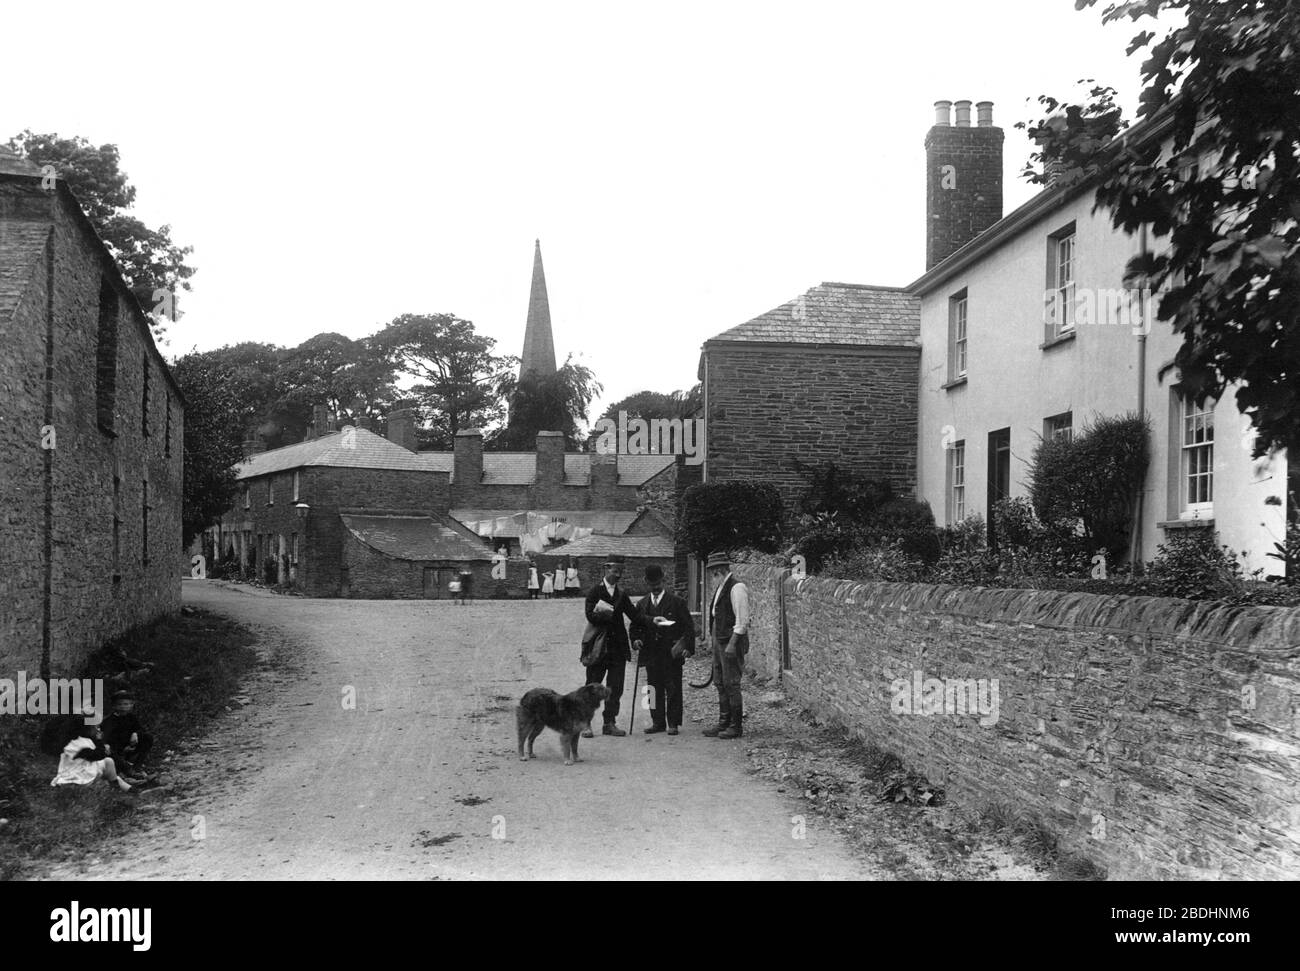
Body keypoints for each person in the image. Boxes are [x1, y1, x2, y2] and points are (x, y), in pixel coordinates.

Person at [629, 565, 695, 735]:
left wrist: (688, 647)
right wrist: (635, 640)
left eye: (658, 583)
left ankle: (673, 723)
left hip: (671, 652)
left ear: (663, 580)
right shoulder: (642, 604)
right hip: (650, 653)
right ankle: (656, 722)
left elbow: (688, 627)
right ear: (646, 583)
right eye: (652, 585)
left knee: (673, 688)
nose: (655, 587)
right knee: (651, 689)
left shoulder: (677, 602)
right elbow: (634, 627)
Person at [581, 557, 639, 737]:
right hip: (598, 648)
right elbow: (591, 616)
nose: (618, 574)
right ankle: (585, 724)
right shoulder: (594, 591)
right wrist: (610, 612)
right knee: (592, 687)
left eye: (621, 570)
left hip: (617, 649)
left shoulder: (622, 594)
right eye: (615, 570)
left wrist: (653, 620)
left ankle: (609, 723)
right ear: (606, 569)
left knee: (615, 688)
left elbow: (635, 615)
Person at [703, 550, 749, 739]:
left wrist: (732, 644)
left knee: (732, 683)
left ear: (720, 569)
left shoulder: (737, 588)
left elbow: (742, 620)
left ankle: (735, 726)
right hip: (719, 639)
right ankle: (723, 722)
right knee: (720, 681)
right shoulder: (722, 586)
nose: (712, 575)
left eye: (714, 571)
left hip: (730, 641)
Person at [100, 690, 154, 778]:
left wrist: (135, 734)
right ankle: (128, 771)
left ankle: (137, 766)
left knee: (148, 737)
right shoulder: (109, 720)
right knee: (108, 751)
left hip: (129, 746)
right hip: (116, 748)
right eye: (120, 704)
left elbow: (141, 729)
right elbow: (104, 736)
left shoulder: (131, 717)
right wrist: (106, 744)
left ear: (131, 705)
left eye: (126, 704)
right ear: (114, 706)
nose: (123, 707)